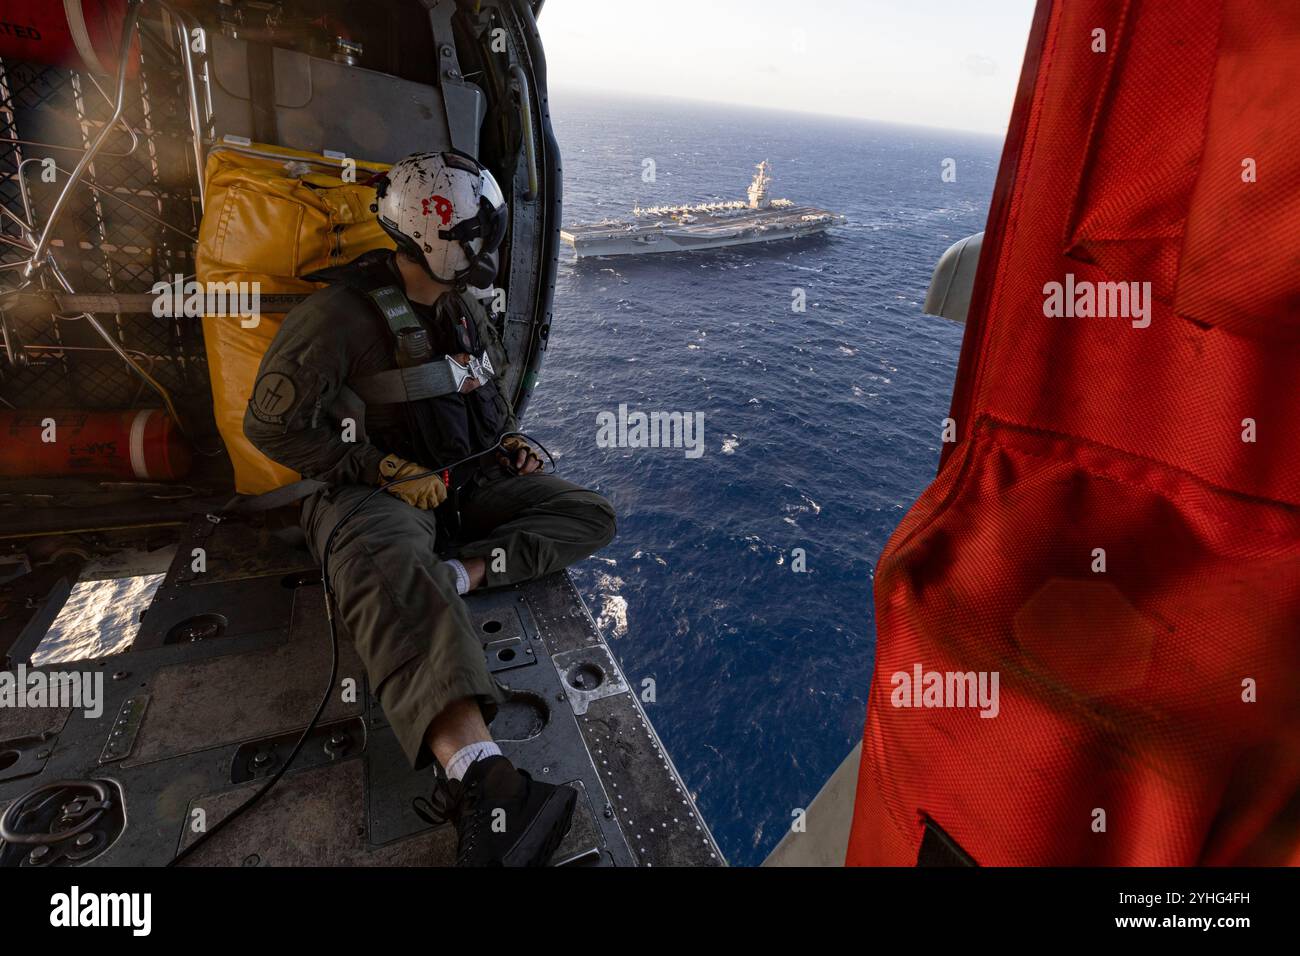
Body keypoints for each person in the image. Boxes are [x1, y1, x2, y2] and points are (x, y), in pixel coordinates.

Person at [242, 150, 616, 866]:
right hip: (371, 494)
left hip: (462, 484)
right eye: (481, 236)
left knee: (589, 513)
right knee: (382, 562)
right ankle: (485, 777)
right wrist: (379, 467)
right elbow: (272, 427)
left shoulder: (460, 306)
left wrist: (508, 447)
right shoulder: (338, 319)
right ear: (435, 237)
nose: (491, 252)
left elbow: (478, 396)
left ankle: (460, 575)